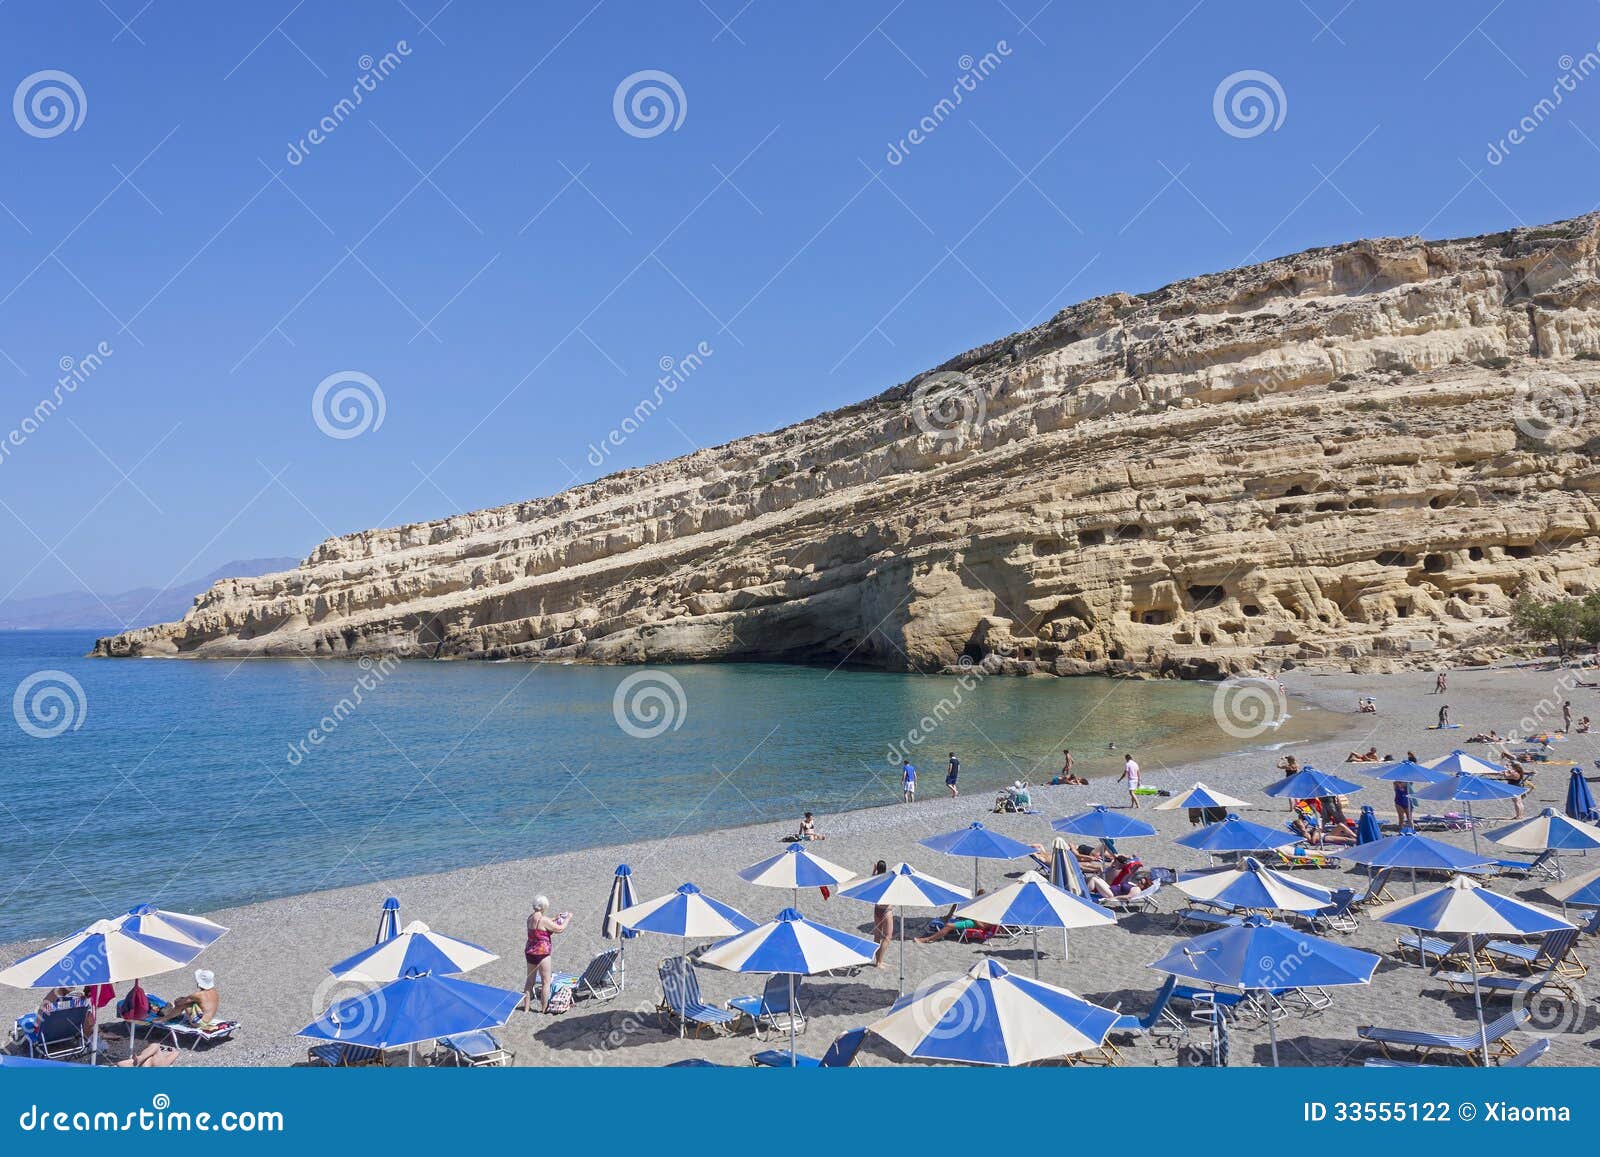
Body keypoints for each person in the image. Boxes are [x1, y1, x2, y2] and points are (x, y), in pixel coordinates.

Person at [522, 896, 572, 1014]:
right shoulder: (544, 920)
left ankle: (526, 1009)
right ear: (544, 906)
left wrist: (555, 918)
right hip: (542, 953)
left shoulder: (530, 918)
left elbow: (543, 925)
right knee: (546, 982)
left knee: (530, 982)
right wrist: (568, 919)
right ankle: (543, 1009)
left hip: (530, 952)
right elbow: (560, 929)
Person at [869, 860, 892, 967]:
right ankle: (879, 962)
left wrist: (874, 871)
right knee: (887, 937)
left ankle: (877, 960)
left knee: (877, 936)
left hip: (877, 909)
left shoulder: (875, 879)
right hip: (886, 910)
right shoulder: (888, 880)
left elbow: (871, 880)